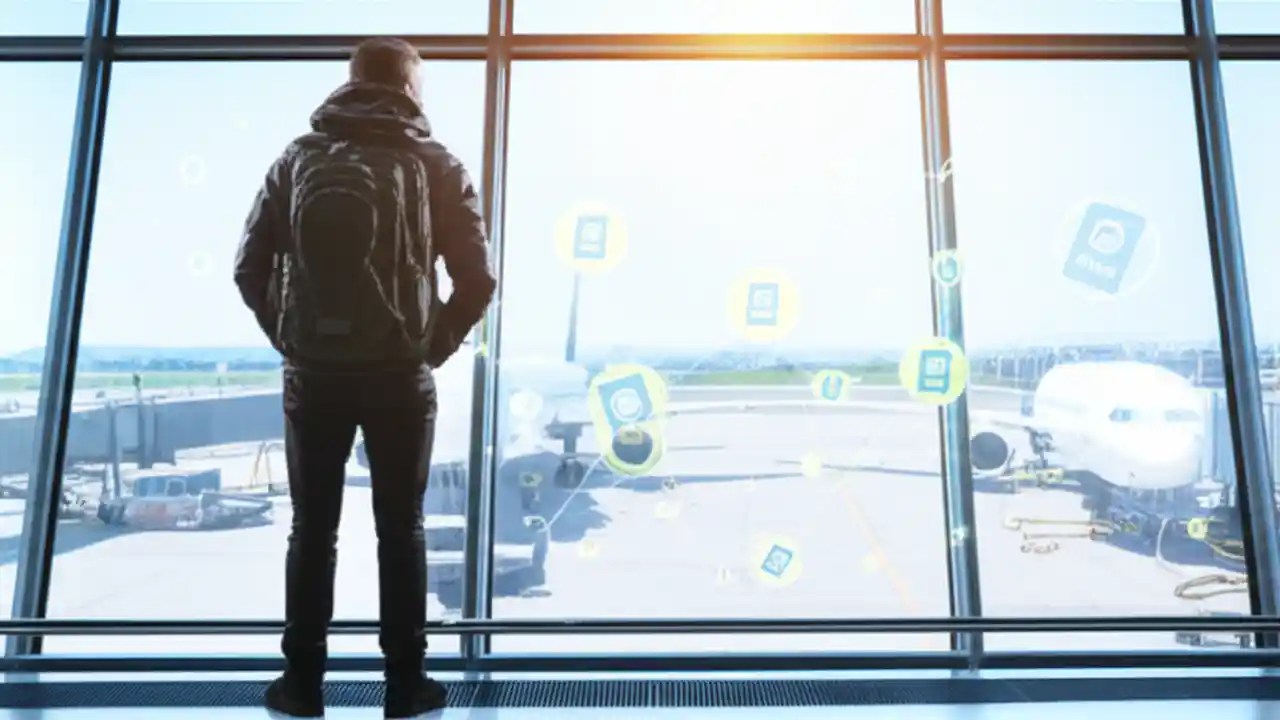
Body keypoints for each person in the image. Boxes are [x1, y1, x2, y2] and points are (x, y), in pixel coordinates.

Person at [233, 36, 496, 719]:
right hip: (399, 376)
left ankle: (302, 687)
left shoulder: (297, 159)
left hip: (313, 377)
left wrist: (294, 341)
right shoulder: (434, 162)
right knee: (400, 529)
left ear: (350, 82)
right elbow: (478, 278)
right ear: (411, 88)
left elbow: (248, 268)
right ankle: (406, 686)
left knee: (311, 532)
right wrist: (429, 345)